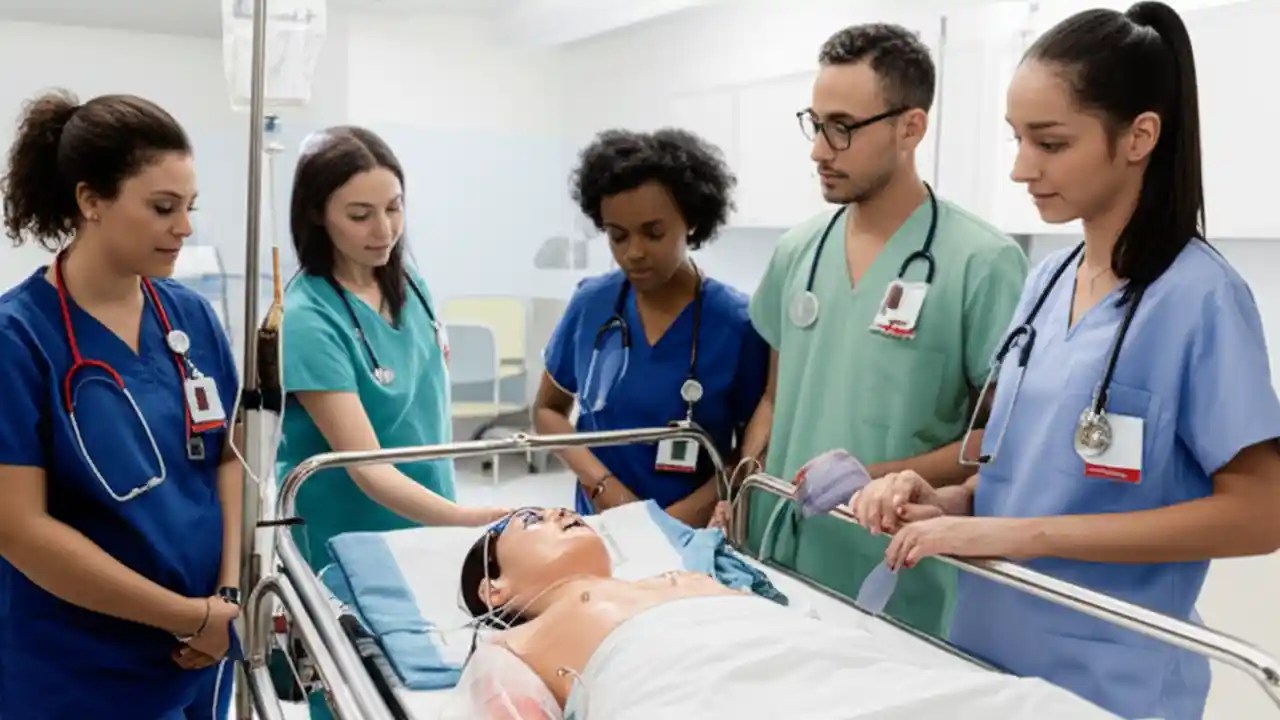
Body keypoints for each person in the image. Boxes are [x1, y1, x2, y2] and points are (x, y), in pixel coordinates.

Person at [849, 4, 1280, 719]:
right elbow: (1022, 476)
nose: (1022, 168)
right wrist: (945, 505)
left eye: (1050, 143)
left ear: (1139, 136)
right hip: (989, 660)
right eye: (1018, 140)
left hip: (1112, 687)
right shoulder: (1047, 279)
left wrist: (1015, 536)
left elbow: (1263, 513)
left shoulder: (1201, 300)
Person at [738, 23, 1029, 636]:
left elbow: (1000, 444)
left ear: (910, 127)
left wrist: (868, 479)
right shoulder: (799, 251)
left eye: (841, 127)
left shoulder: (982, 262)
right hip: (780, 557)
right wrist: (743, 487)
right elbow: (773, 398)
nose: (820, 149)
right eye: (814, 124)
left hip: (899, 573)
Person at [0, 90, 242, 718]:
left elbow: (226, 458)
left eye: (189, 208)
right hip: (79, 667)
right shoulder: (18, 340)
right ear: (91, 201)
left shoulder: (190, 319)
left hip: (200, 654)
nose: (184, 228)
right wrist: (186, 616)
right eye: (163, 207)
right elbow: (19, 530)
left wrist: (226, 596)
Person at [449, 507, 1118, 719]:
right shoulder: (511, 644)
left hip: (819, 667)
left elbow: (803, 641)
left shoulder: (682, 574)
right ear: (495, 590)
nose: (562, 511)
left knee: (1025, 707)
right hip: (680, 690)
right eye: (533, 519)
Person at [277, 125, 507, 573]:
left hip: (430, 512)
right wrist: (469, 521)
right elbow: (368, 468)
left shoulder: (410, 286)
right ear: (317, 214)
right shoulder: (308, 318)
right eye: (360, 215)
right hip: (349, 536)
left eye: (394, 207)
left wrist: (449, 520)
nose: (384, 230)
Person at [534, 128, 768, 528]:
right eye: (618, 236)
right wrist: (605, 489)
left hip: (696, 533)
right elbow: (547, 411)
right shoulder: (592, 303)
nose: (634, 252)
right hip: (600, 524)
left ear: (691, 221)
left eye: (654, 233)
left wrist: (673, 524)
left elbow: (750, 453)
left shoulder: (736, 322)